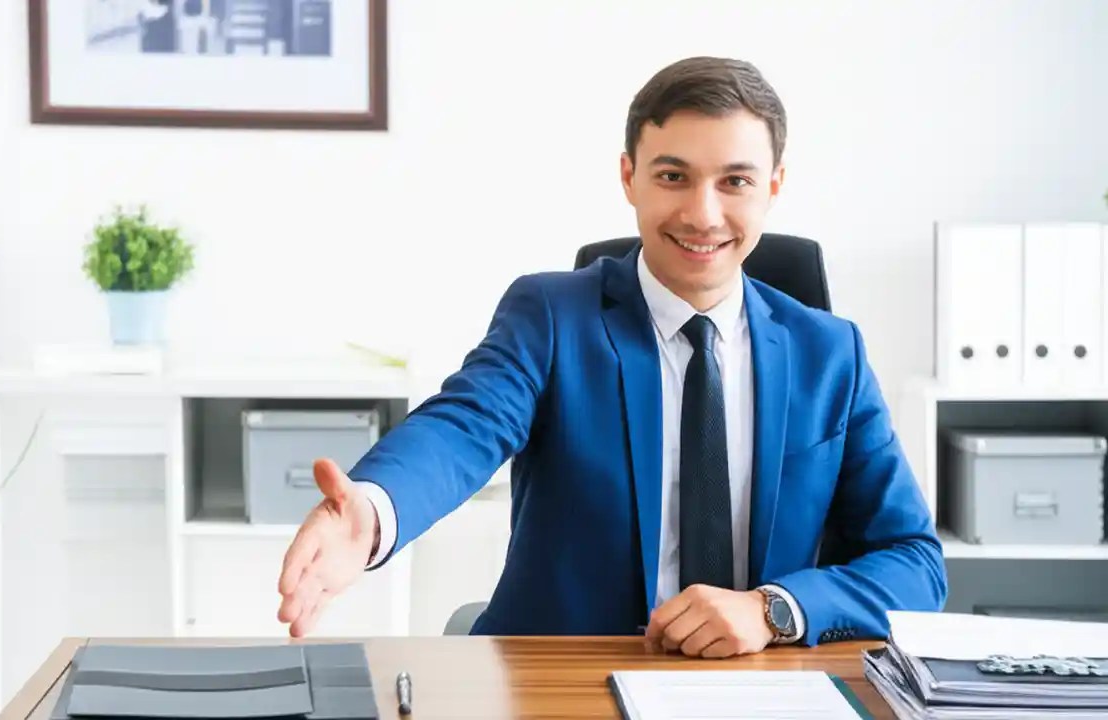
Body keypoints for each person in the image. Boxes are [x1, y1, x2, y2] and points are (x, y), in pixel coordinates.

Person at [276, 56, 947, 658]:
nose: (703, 213)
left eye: (735, 181)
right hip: (562, 681)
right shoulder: (551, 317)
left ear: (774, 185)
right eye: (673, 176)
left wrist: (773, 612)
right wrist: (373, 511)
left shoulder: (830, 353)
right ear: (630, 177)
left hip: (761, 683)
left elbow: (914, 562)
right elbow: (463, 426)